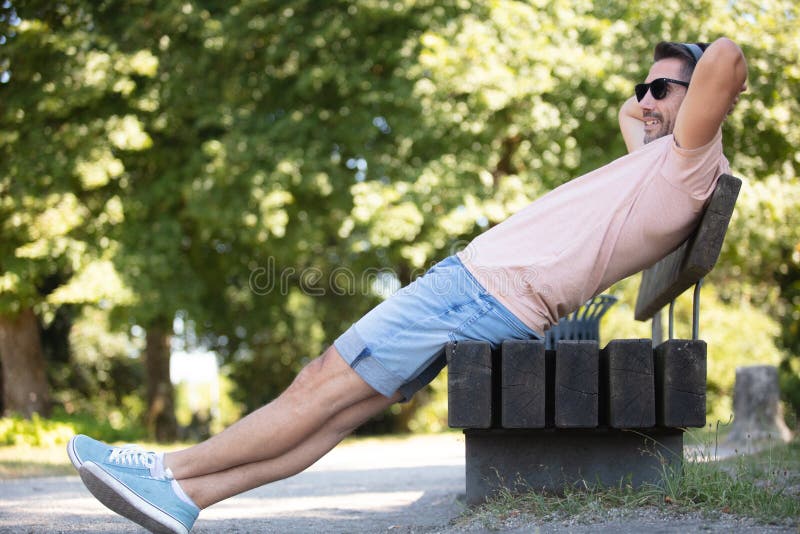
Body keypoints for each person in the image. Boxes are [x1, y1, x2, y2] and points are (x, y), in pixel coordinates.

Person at [67, 37, 747, 534]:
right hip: (491, 301)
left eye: (662, 88)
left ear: (702, 105)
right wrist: (655, 98)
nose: (643, 99)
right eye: (644, 86)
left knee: (317, 382)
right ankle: (189, 498)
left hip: (476, 292)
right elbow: (632, 117)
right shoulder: (658, 169)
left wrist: (693, 79)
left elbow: (724, 56)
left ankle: (161, 469)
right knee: (336, 410)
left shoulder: (688, 165)